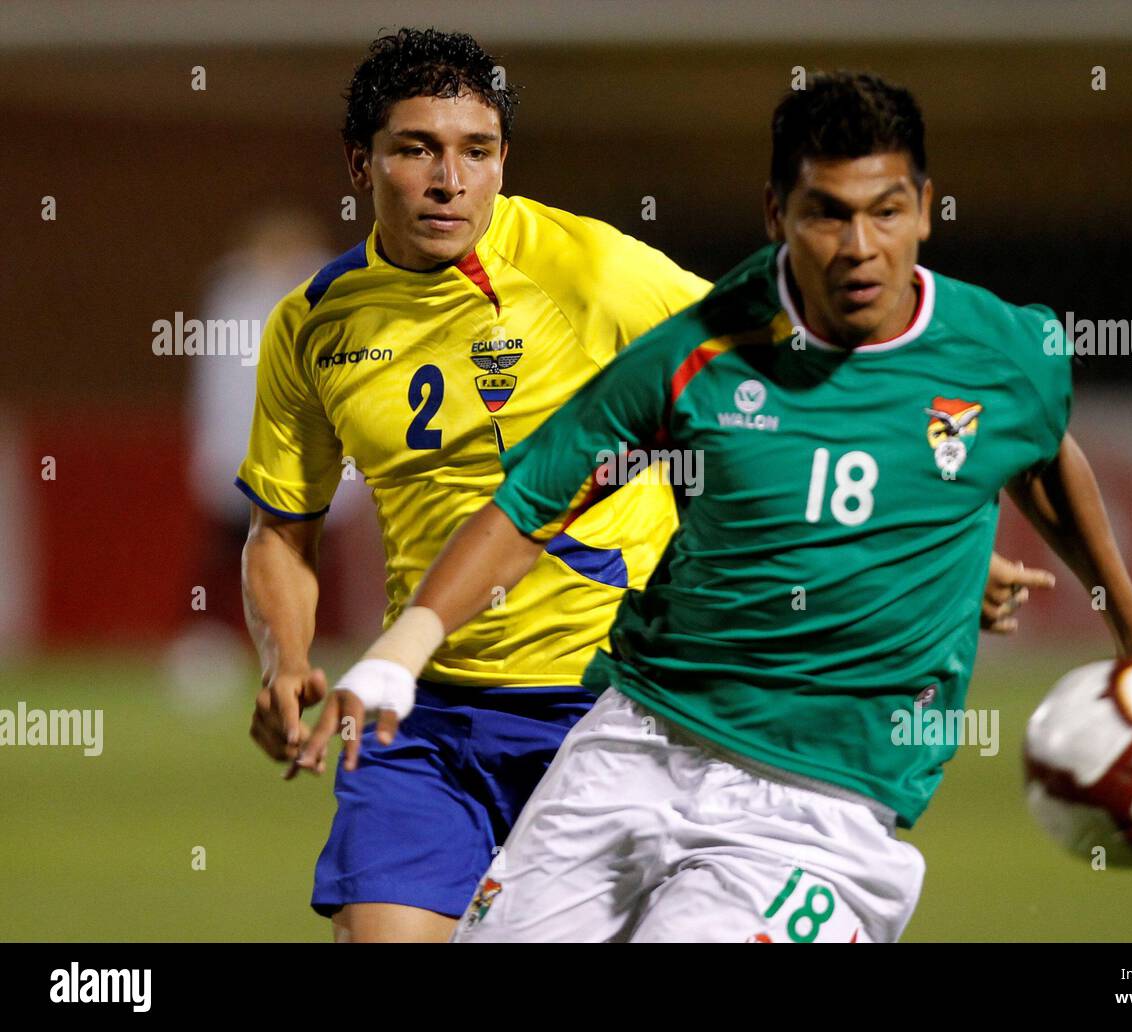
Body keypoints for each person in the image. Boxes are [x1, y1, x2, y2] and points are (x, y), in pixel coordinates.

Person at [245, 32, 1050, 944]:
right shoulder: (310, 324)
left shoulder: (594, 272)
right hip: (427, 710)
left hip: (605, 704)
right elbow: (282, 528)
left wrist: (907, 534)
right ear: (362, 162)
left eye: (476, 152)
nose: (449, 179)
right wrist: (285, 658)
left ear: (504, 159)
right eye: (417, 149)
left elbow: (782, 385)